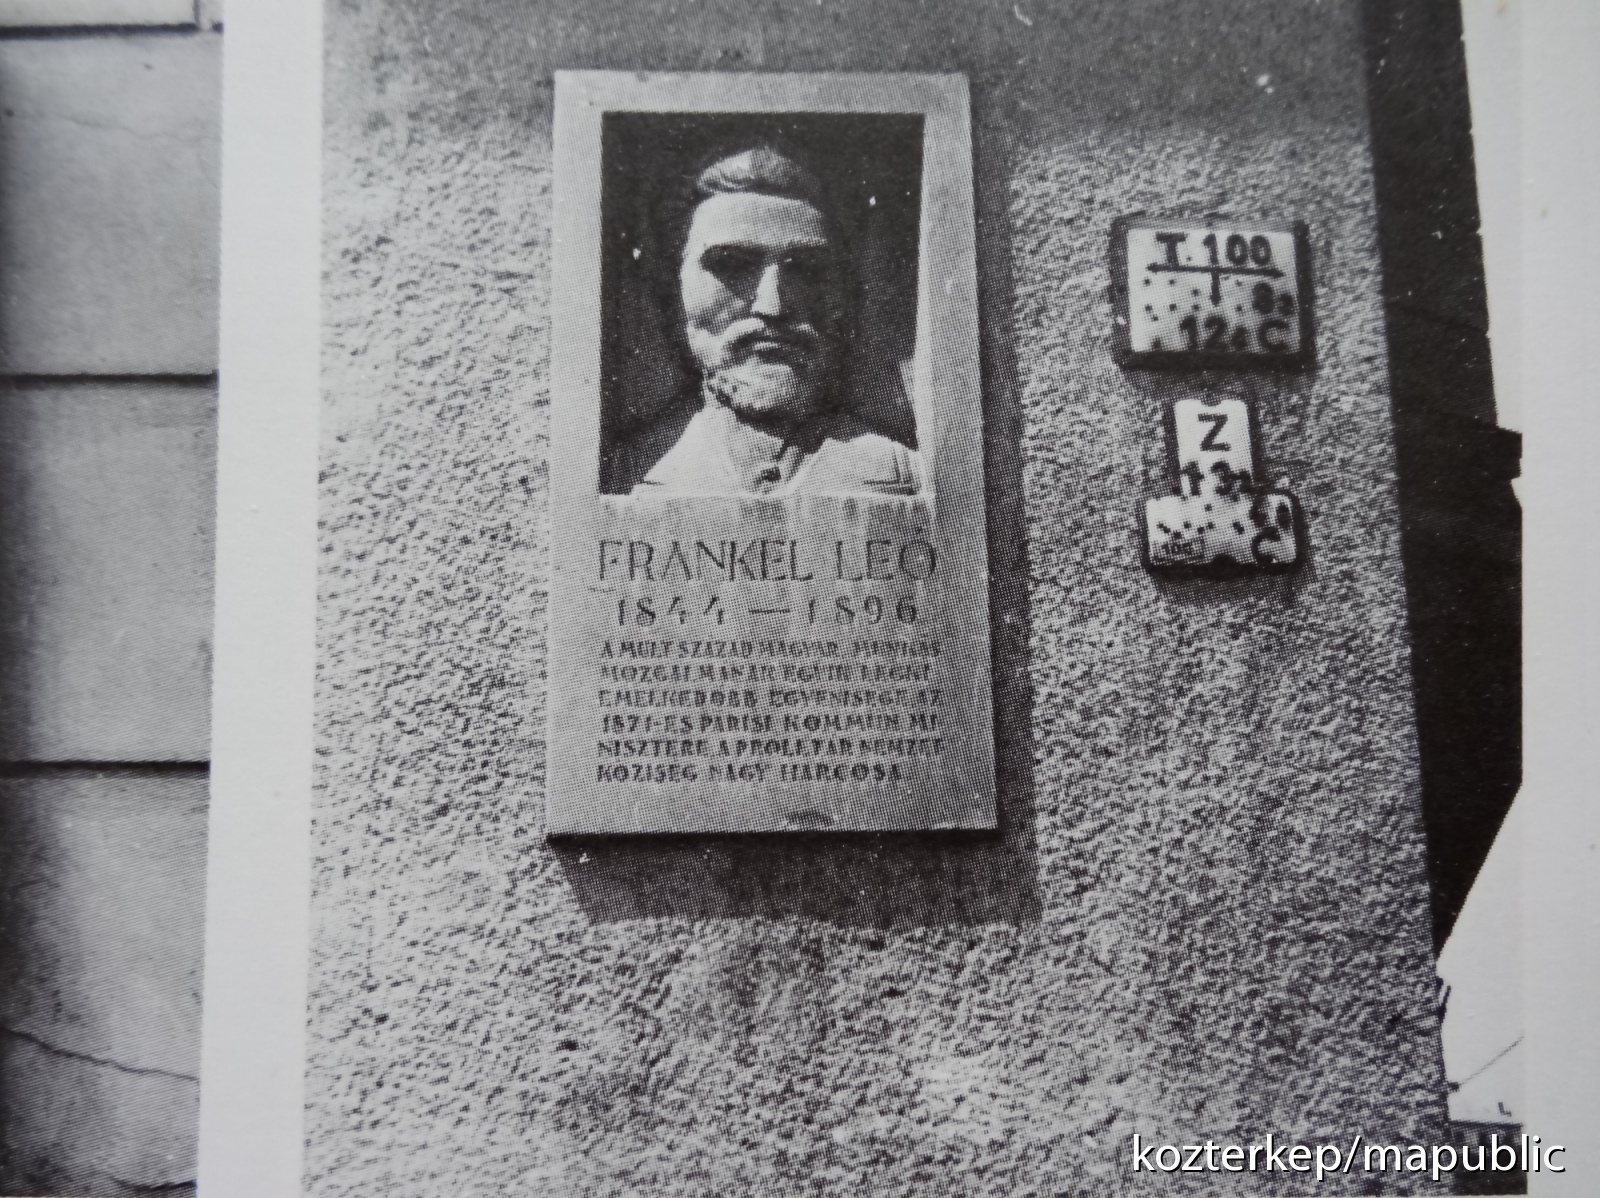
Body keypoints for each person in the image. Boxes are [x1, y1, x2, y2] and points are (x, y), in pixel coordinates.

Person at [611, 146, 922, 497]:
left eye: (808, 269)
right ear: (671, 289)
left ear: (847, 292)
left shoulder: (908, 475)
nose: (772, 306)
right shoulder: (625, 474)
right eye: (731, 265)